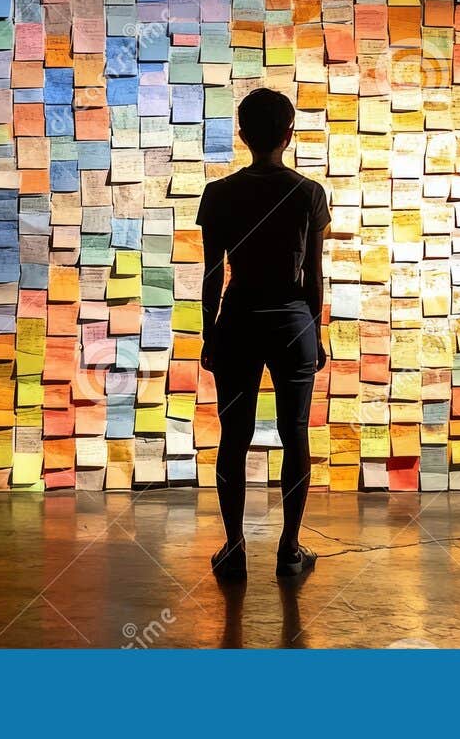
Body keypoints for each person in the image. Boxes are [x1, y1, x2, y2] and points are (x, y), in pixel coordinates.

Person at [195, 87, 330, 580]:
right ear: (289, 134)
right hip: (294, 320)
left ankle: (234, 549)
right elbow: (313, 276)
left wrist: (209, 333)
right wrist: (316, 331)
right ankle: (289, 551)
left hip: (239, 319)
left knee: (235, 436)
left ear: (242, 134)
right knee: (295, 435)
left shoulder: (219, 194)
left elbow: (214, 274)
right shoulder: (308, 193)